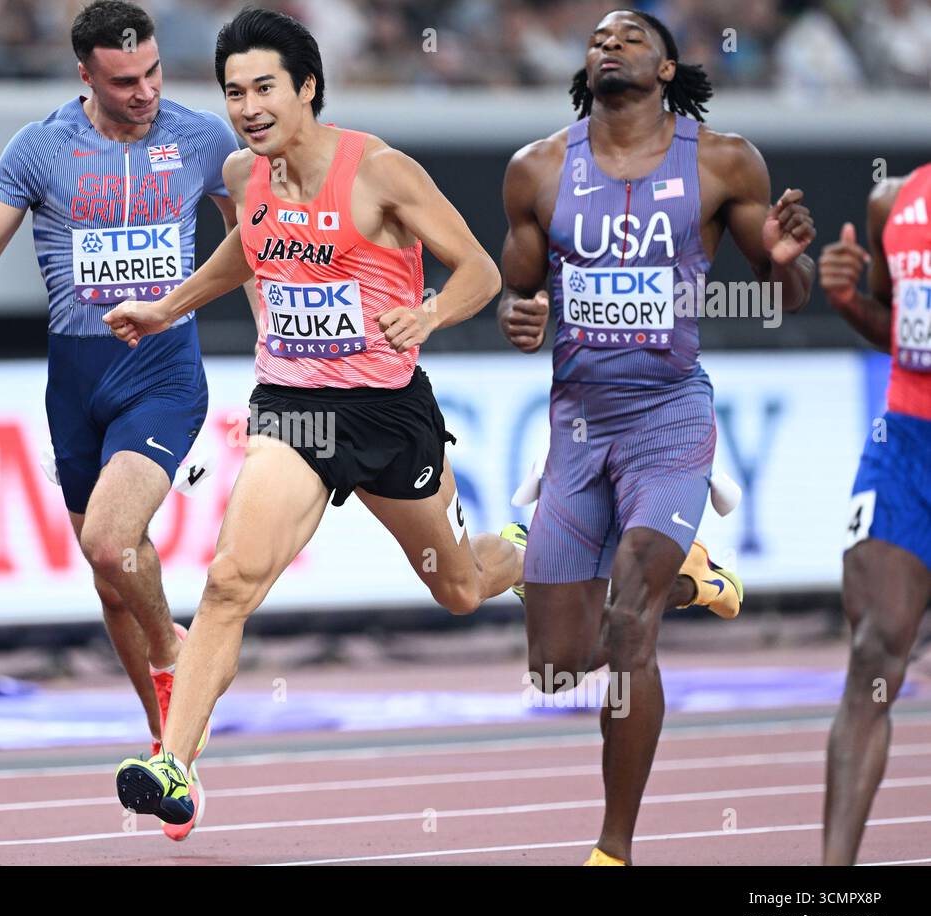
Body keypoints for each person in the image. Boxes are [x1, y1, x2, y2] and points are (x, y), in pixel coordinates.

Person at [104, 8, 525, 836]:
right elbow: (249, 250)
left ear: (307, 89)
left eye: (265, 88)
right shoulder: (242, 174)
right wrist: (167, 307)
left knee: (461, 590)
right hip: (294, 410)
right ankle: (175, 766)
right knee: (229, 583)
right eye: (234, 92)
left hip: (388, 413)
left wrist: (432, 314)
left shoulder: (381, 172)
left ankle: (548, 541)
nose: (249, 107)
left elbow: (478, 266)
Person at [497, 9, 816, 865]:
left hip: (669, 418)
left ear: (669, 67)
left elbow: (789, 297)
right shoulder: (535, 169)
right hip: (576, 427)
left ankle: (612, 850)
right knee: (559, 670)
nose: (608, 44)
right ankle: (691, 577)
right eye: (598, 37)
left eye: (630, 36)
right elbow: (515, 295)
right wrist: (518, 317)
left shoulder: (722, 160)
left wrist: (788, 263)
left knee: (628, 628)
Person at [0, 0, 243, 840]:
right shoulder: (39, 148)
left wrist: (275, 354)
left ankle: (177, 657)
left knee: (111, 541)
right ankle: (169, 752)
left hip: (164, 375)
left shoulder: (203, 139)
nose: (144, 91)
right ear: (85, 75)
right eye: (123, 81)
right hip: (75, 381)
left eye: (152, 73)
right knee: (109, 579)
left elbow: (251, 241)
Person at [820, 162, 931, 865]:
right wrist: (843, 298)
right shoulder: (896, 199)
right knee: (872, 657)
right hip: (906, 445)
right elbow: (897, 329)